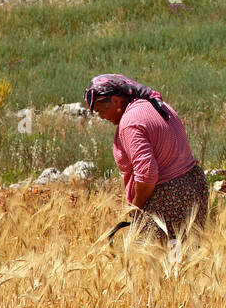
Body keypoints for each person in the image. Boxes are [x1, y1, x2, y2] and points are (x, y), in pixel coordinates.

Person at [84, 74, 207, 242]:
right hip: (194, 184)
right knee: (184, 255)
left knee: (157, 260)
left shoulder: (130, 122)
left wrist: (135, 208)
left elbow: (147, 174)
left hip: (167, 196)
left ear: (115, 101)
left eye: (101, 110)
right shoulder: (154, 104)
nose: (102, 117)